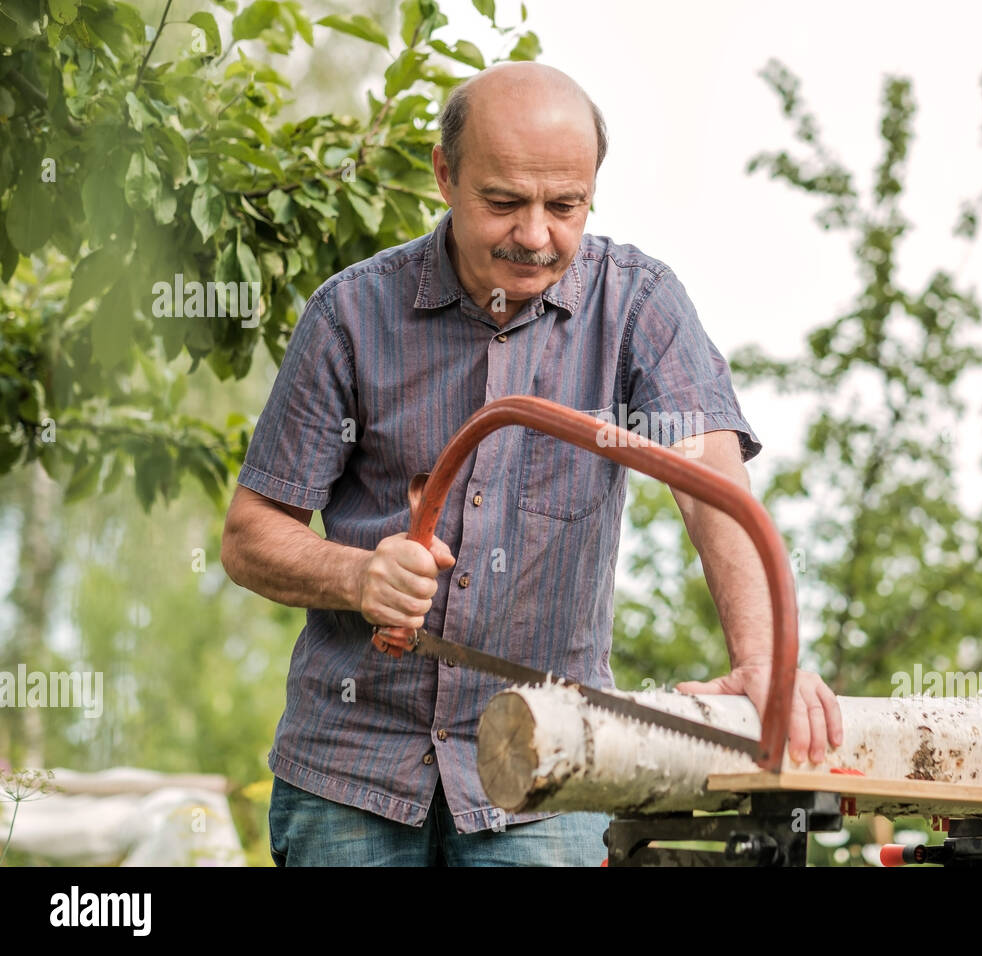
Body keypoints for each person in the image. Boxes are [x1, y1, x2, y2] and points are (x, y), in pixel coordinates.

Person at [220, 61, 843, 867]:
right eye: (504, 202)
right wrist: (355, 577)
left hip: (549, 770)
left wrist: (765, 663)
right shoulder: (350, 313)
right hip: (350, 766)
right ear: (445, 174)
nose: (536, 235)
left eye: (565, 205)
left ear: (593, 191)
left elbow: (713, 488)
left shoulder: (639, 305)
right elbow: (248, 535)